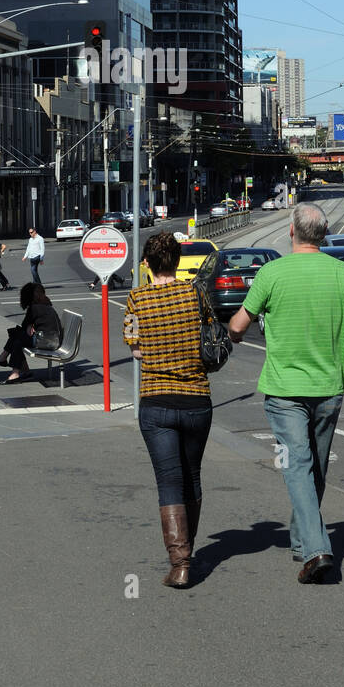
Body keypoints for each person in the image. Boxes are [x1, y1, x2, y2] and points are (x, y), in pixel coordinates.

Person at [228, 203, 344, 585]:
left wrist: (230, 334)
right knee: (315, 468)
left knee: (299, 468)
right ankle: (306, 541)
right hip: (329, 389)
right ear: (324, 235)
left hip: (284, 390)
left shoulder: (271, 272)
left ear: (291, 233)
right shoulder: (342, 273)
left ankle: (315, 549)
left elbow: (239, 324)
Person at [123, 232, 215, 589]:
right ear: (177, 261)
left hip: (156, 402)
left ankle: (180, 565)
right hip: (196, 400)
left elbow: (134, 349)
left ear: (147, 264)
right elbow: (208, 335)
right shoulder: (196, 294)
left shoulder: (136, 300)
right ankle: (188, 550)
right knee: (192, 475)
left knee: (168, 482)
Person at [0, 282, 61, 384]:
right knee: (17, 336)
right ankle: (14, 367)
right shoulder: (45, 304)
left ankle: (10, 366)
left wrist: (30, 326)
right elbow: (29, 325)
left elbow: (25, 324)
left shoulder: (34, 308)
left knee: (17, 338)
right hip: (50, 338)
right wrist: (31, 325)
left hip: (47, 341)